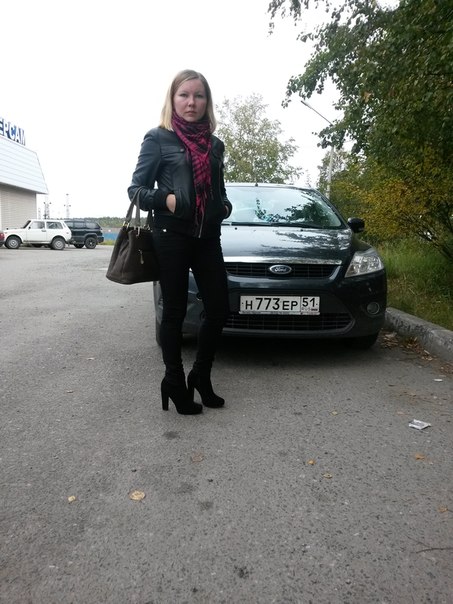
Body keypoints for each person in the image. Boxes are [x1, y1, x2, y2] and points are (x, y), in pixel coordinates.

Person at [128, 69, 232, 415]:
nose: (191, 102)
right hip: (170, 235)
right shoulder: (158, 138)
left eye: (199, 96)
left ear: (207, 101)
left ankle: (200, 375)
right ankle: (173, 379)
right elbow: (136, 190)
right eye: (184, 95)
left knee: (219, 308)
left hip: (207, 236)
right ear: (173, 99)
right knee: (173, 311)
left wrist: (224, 206)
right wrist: (167, 199)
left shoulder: (215, 145)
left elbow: (219, 189)